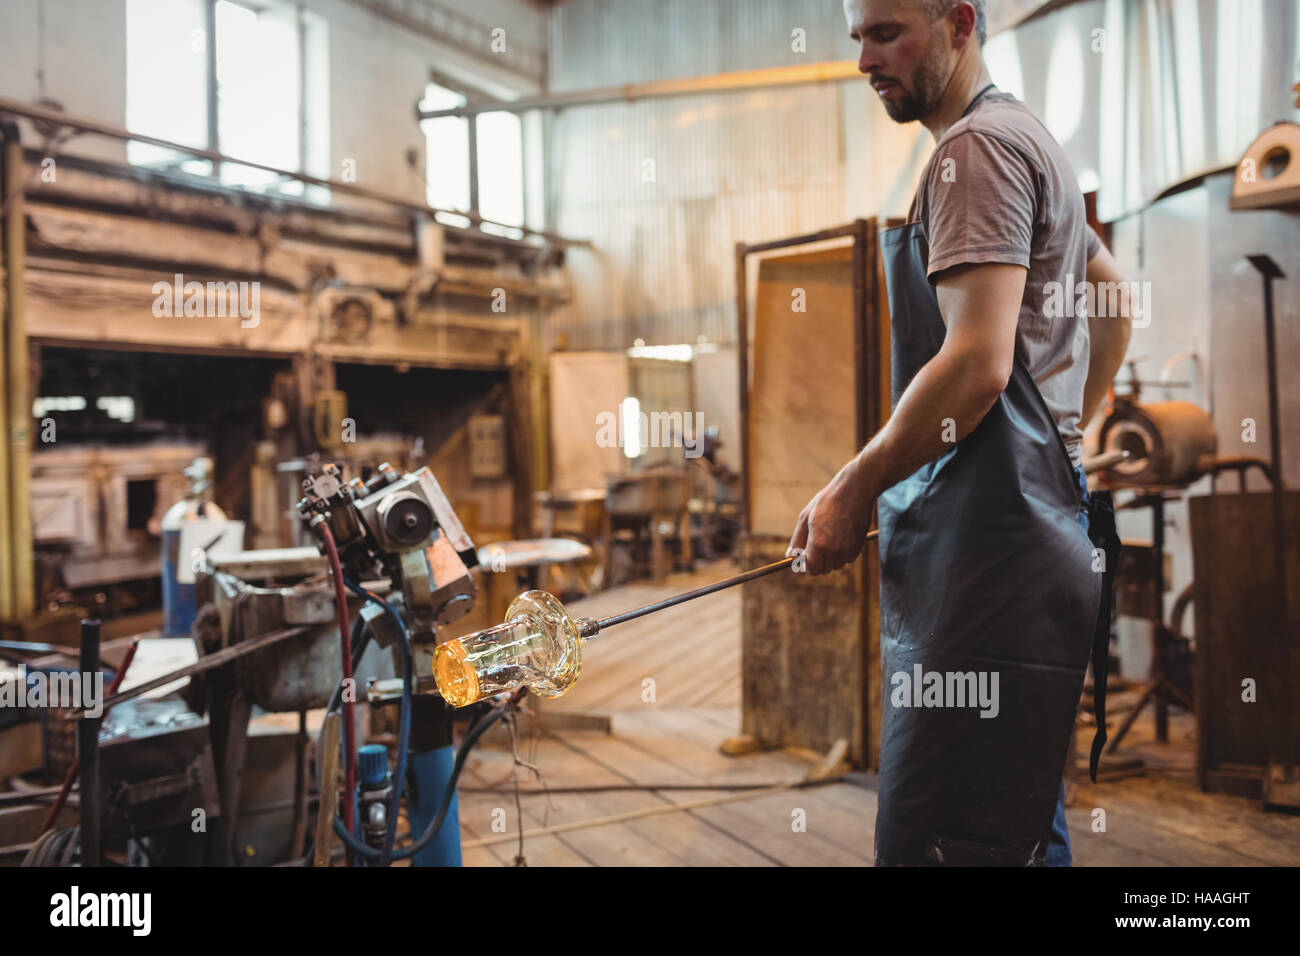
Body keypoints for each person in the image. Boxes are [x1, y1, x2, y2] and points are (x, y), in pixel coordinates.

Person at [787, 0, 1131, 865]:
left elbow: (976, 366)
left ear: (960, 22)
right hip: (1026, 528)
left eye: (887, 33)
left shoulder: (971, 154)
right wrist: (1064, 439)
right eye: (857, 37)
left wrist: (850, 487)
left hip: (990, 557)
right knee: (1011, 810)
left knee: (950, 833)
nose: (865, 58)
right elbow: (1115, 295)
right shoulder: (1025, 135)